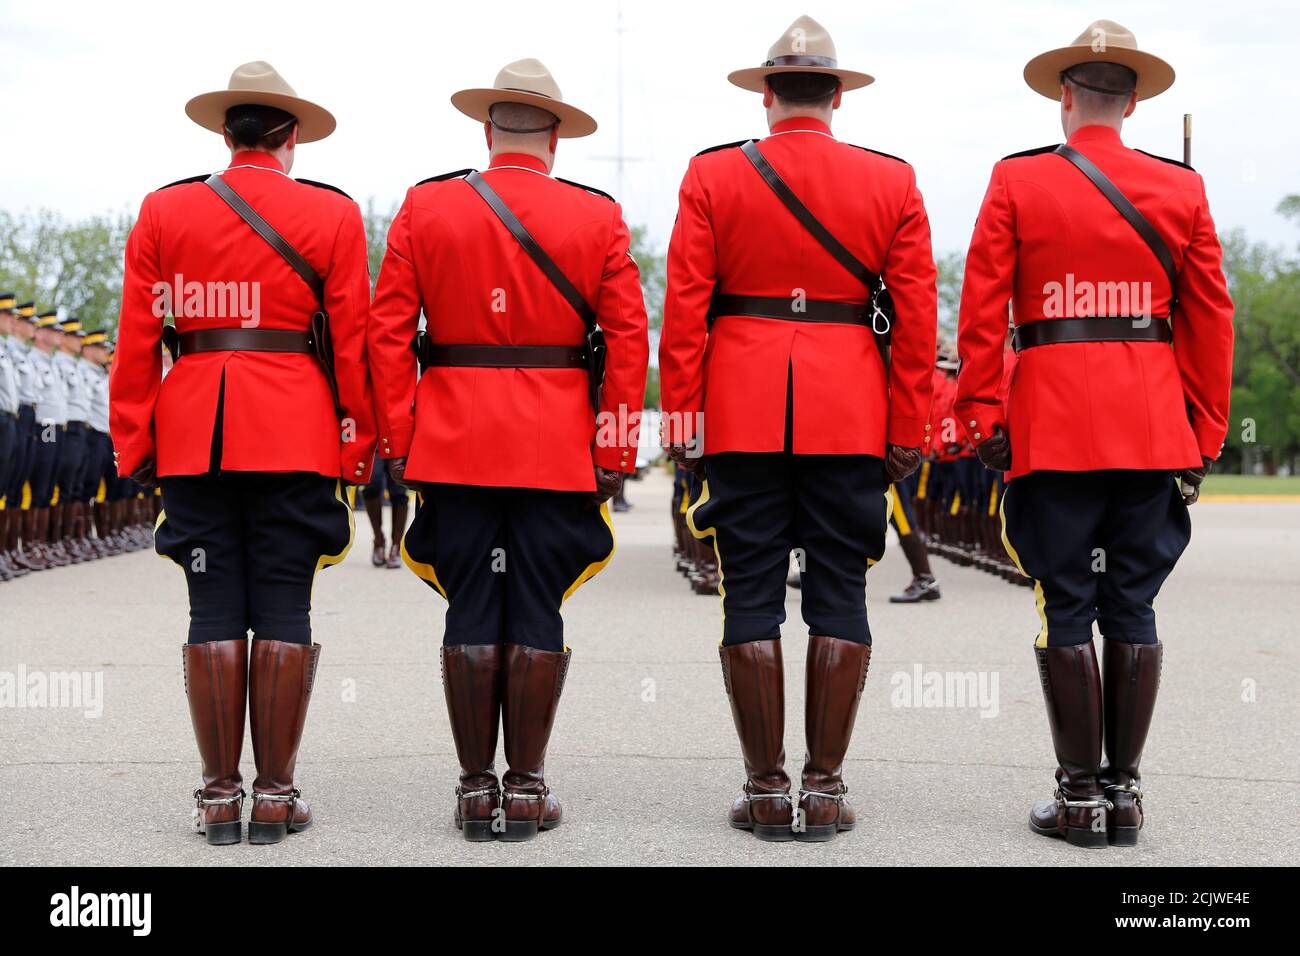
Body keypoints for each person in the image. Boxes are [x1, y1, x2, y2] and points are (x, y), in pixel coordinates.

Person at [956, 21, 1234, 848]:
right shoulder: (1180, 188)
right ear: (1135, 101)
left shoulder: (1017, 180)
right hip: (1153, 421)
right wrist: (1206, 431)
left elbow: (982, 309)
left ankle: (1078, 799)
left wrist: (983, 413)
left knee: (1067, 602)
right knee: (1135, 604)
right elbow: (1211, 317)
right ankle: (1126, 797)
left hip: (1051, 419)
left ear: (1065, 98)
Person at [660, 16, 937, 842]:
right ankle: (825, 788)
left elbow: (684, 311)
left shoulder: (714, 174)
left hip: (741, 407)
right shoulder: (891, 180)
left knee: (747, 591)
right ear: (839, 95)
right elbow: (916, 317)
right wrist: (909, 423)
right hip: (849, 407)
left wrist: (684, 418)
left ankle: (764, 787)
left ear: (767, 92)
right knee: (839, 591)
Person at [368, 58, 649, 842]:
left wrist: (399, 436)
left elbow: (387, 333)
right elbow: (628, 338)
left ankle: (471, 789)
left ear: (486, 131)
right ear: (556, 138)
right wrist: (615, 442)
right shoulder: (597, 217)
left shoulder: (427, 207)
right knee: (534, 601)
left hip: (452, 440)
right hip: (555, 443)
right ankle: (524, 790)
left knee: (470, 602)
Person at [111, 61, 376, 845]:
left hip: (194, 426)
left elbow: (136, 342)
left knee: (212, 605)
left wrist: (137, 440)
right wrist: (359, 437)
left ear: (225, 134)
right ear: (291, 138)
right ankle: (276, 795)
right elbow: (352, 341)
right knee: (286, 601)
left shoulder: (165, 210)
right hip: (294, 424)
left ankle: (219, 798)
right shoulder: (329, 213)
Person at [362, 451, 407, 568]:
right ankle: (378, 540)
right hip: (375, 441)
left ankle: (396, 546)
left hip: (399, 441)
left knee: (399, 491)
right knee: (371, 485)